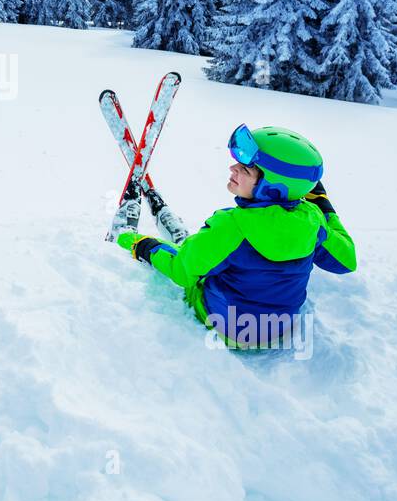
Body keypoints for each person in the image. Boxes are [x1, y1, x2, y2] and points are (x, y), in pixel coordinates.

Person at [114, 124, 356, 349]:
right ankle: (197, 248)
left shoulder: (231, 226)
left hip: (231, 329)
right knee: (222, 256)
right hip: (280, 329)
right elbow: (346, 261)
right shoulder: (313, 221)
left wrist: (142, 245)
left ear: (272, 187)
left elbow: (181, 273)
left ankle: (162, 242)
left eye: (245, 169)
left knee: (191, 267)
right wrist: (325, 207)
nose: (233, 169)